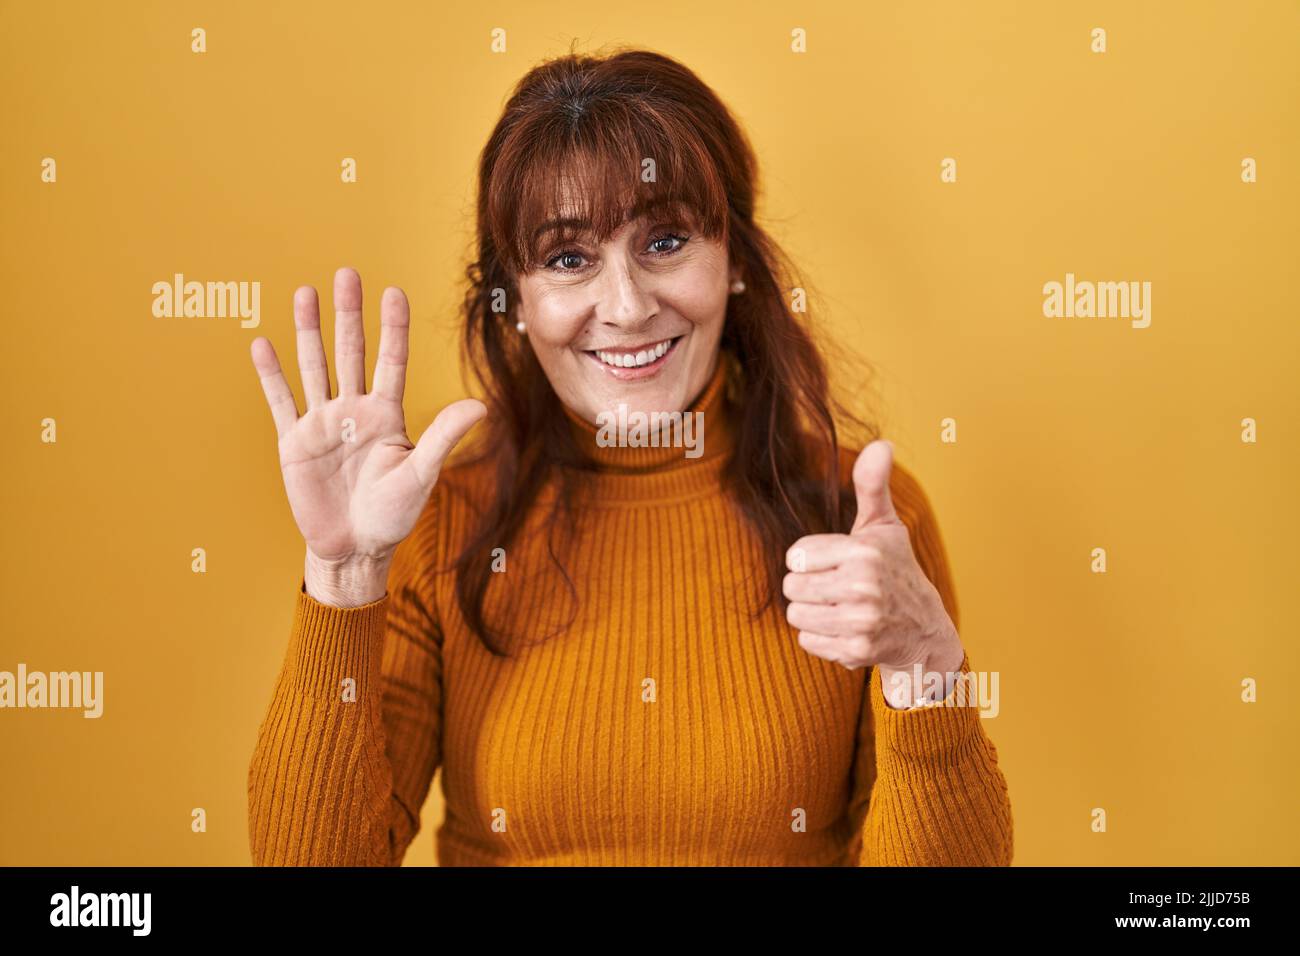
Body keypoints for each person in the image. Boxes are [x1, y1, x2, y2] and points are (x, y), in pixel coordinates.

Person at [246, 46, 1013, 866]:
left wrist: (927, 667)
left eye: (667, 240)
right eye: (569, 258)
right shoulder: (443, 527)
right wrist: (345, 577)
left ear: (737, 267)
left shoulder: (862, 519)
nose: (626, 307)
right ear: (516, 303)